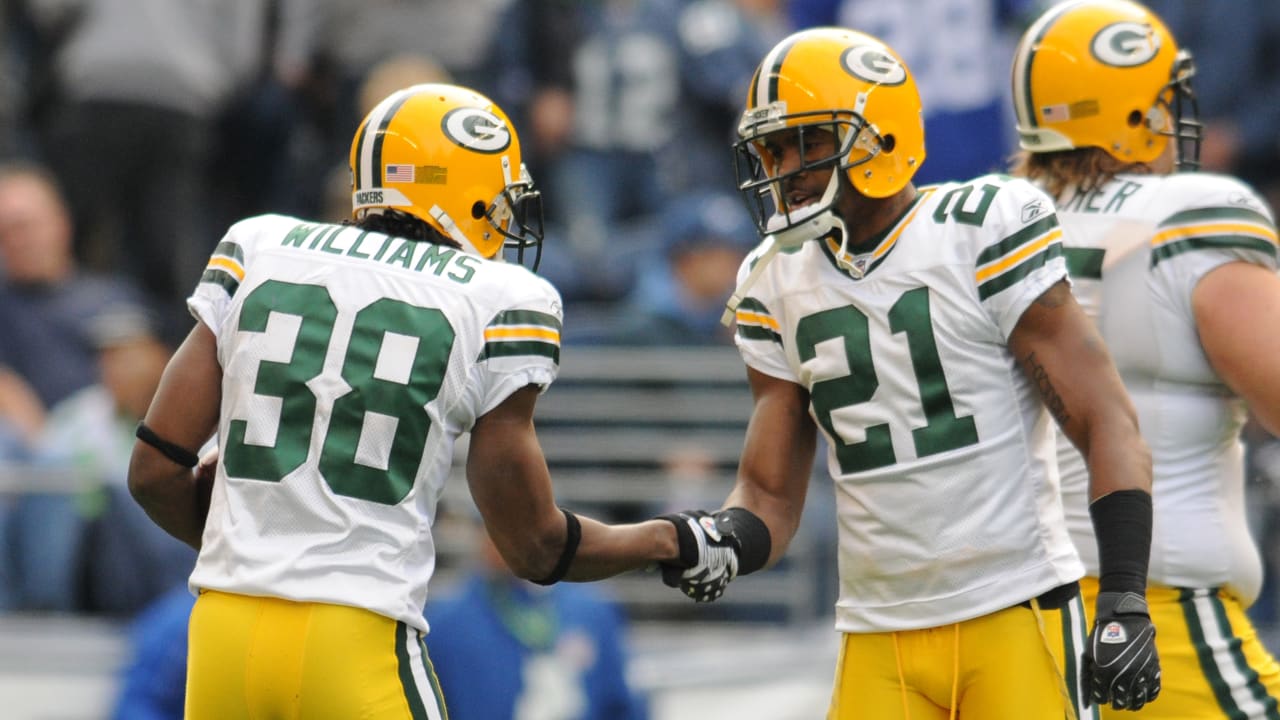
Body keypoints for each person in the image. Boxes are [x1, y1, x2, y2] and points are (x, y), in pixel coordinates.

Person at [125, 82, 688, 720]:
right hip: (356, 639)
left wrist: (264, 536)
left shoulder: (259, 245)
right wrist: (669, 540)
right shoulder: (498, 296)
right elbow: (531, 544)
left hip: (221, 636)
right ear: (463, 189)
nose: (505, 219)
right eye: (498, 201)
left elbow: (153, 471)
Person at [652, 27, 1160, 717]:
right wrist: (712, 541)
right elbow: (769, 496)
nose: (780, 169)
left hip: (1014, 607)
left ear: (876, 138)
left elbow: (1106, 419)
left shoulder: (980, 227)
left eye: (801, 145)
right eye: (769, 149)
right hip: (875, 629)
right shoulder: (774, 281)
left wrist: (1126, 593)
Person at [1008, 1, 1280, 716]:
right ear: (1137, 111)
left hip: (1014, 630)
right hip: (1160, 618)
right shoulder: (1190, 209)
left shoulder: (992, 221)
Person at [426, 512, 649, 720]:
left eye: (522, 525)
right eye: (496, 527)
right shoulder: (446, 623)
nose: (509, 540)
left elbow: (621, 704)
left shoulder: (592, 610)